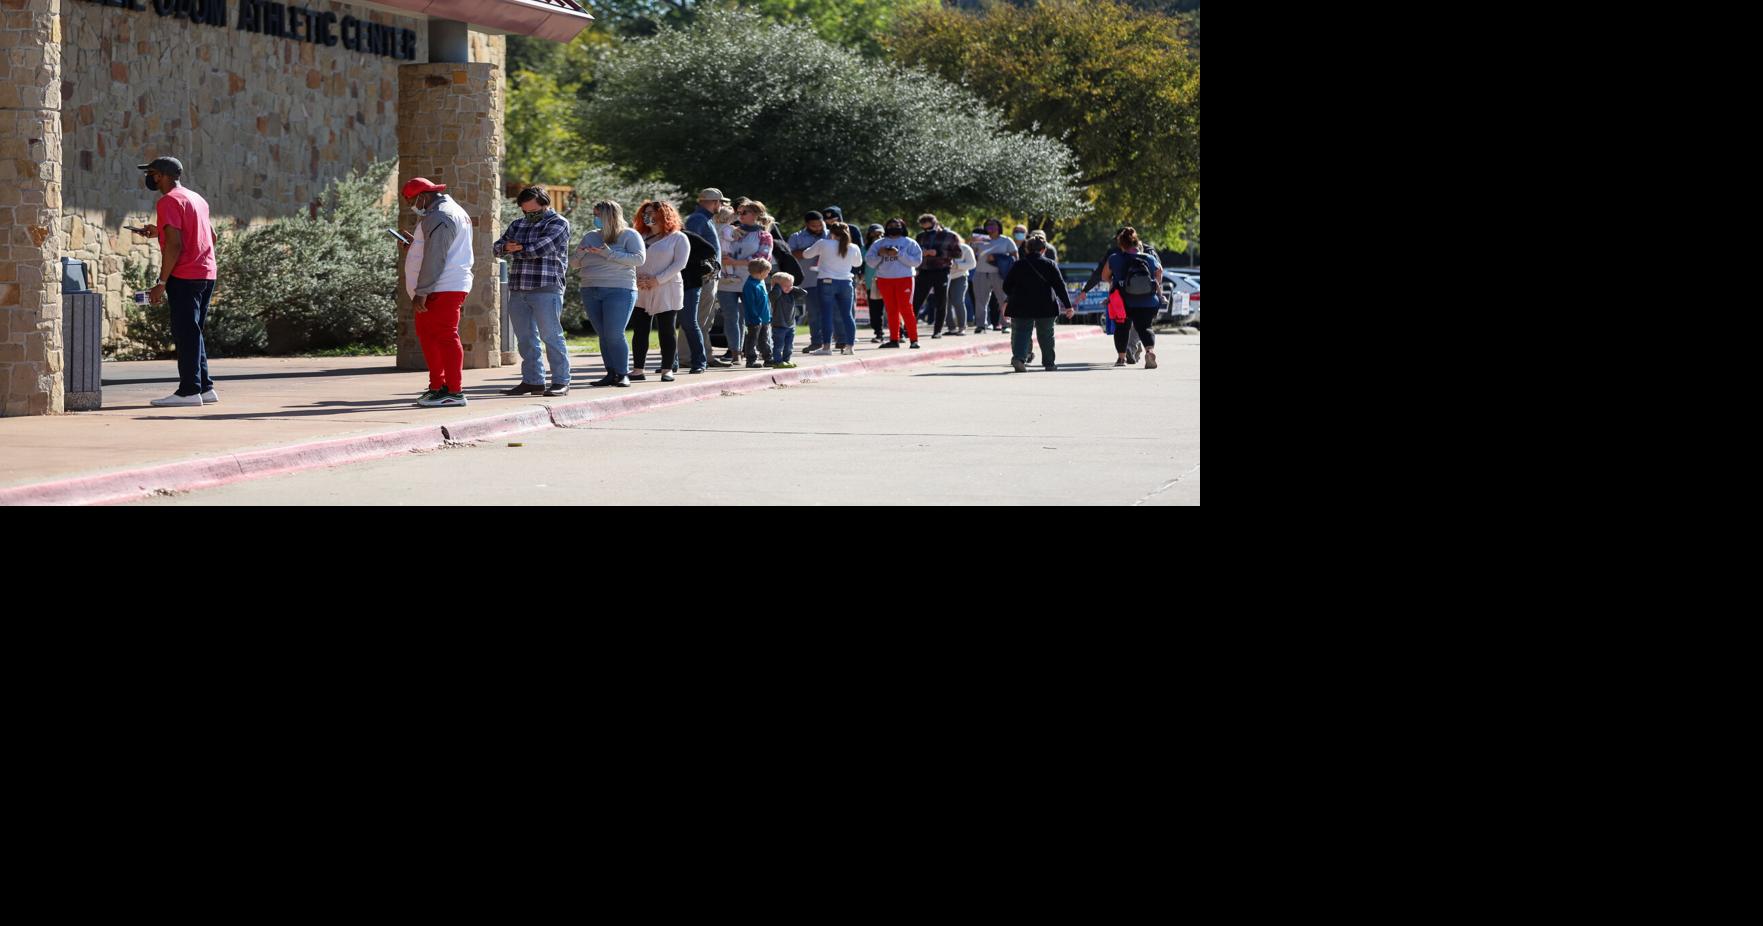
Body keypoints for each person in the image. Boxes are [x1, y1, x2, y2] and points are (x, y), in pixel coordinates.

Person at [133, 156, 221, 408]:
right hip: (206, 272)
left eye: (151, 173)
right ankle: (205, 388)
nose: (149, 178)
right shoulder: (197, 199)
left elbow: (174, 245)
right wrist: (158, 230)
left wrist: (161, 282)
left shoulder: (168, 201)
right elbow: (211, 236)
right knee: (194, 331)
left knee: (185, 333)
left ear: (161, 175)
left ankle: (189, 391)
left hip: (184, 276)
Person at [400, 177, 474, 408]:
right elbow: (435, 249)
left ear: (424, 195)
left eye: (412, 200)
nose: (412, 204)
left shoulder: (440, 215)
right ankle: (438, 386)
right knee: (430, 336)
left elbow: (436, 258)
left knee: (445, 336)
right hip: (439, 285)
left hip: (442, 286)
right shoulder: (443, 212)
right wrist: (415, 246)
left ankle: (454, 390)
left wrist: (422, 291)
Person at [494, 187, 574, 397]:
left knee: (551, 336)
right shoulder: (517, 224)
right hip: (518, 288)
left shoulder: (558, 223)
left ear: (545, 203)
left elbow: (539, 249)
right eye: (526, 212)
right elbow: (496, 247)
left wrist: (515, 248)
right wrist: (509, 248)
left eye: (535, 211)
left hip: (546, 288)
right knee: (526, 339)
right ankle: (533, 381)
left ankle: (561, 381)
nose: (530, 216)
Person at [570, 200, 645, 388]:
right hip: (590, 289)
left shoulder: (630, 235)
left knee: (614, 333)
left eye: (597, 215)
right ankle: (610, 373)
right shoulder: (590, 236)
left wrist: (608, 254)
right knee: (603, 334)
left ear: (609, 216)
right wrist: (579, 255)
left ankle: (622, 373)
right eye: (593, 215)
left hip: (620, 289)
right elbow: (573, 264)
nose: (594, 218)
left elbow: (639, 259)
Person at [631, 200, 692, 383]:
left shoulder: (678, 238)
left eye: (651, 212)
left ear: (663, 215)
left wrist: (656, 280)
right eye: (645, 212)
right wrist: (637, 278)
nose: (647, 216)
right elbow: (632, 259)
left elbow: (680, 264)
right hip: (641, 288)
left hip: (667, 288)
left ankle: (667, 369)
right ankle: (637, 370)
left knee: (666, 330)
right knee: (640, 330)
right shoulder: (639, 236)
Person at [1002, 237, 1074, 373]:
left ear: (1026, 249)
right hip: (1046, 305)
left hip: (1021, 305)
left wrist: (1017, 293)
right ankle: (1049, 363)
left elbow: (1006, 286)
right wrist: (1068, 306)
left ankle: (1019, 359)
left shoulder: (1018, 265)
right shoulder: (1050, 264)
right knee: (1046, 334)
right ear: (1044, 250)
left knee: (1021, 333)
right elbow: (1060, 286)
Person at [1099, 226, 1165, 370]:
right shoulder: (1149, 258)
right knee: (1145, 327)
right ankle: (1149, 351)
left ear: (1121, 244)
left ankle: (1121, 358)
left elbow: (1104, 276)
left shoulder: (1115, 258)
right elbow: (1159, 274)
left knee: (1122, 328)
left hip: (1123, 302)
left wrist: (1114, 281)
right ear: (1136, 242)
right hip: (1148, 301)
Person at [717, 200, 774, 363]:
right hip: (727, 280)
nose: (739, 216)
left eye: (744, 213)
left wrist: (736, 262)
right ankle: (735, 353)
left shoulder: (764, 235)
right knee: (730, 317)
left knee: (755, 318)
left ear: (756, 215)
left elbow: (763, 258)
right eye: (738, 213)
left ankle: (759, 352)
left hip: (752, 281)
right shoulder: (730, 231)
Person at [801, 221, 865, 355]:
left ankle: (826, 347)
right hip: (846, 282)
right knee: (847, 315)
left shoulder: (823, 243)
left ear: (831, 233)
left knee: (826, 315)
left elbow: (806, 254)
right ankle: (850, 347)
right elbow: (857, 263)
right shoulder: (853, 247)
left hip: (827, 281)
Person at [685, 188, 731, 368]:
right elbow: (692, 245)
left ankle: (703, 355)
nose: (722, 205)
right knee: (697, 318)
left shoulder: (704, 219)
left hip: (708, 275)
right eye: (720, 202)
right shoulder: (698, 219)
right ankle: (689, 357)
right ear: (713, 202)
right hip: (703, 276)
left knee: (703, 319)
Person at [865, 218, 924, 349]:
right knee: (891, 310)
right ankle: (894, 340)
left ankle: (914, 340)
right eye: (890, 225)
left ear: (903, 227)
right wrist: (881, 254)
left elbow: (916, 262)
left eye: (897, 225)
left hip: (905, 279)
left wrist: (899, 254)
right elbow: (870, 261)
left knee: (906, 309)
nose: (893, 227)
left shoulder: (909, 242)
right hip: (884, 279)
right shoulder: (879, 243)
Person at [787, 211, 833, 354]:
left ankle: (839, 340)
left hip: (830, 278)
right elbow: (790, 254)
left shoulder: (831, 234)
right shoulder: (796, 237)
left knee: (832, 311)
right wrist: (812, 250)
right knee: (813, 313)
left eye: (820, 224)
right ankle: (816, 342)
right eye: (814, 226)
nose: (818, 228)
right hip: (809, 280)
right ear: (806, 224)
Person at [914, 214, 963, 338]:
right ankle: (909, 329)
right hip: (924, 270)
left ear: (936, 224)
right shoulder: (920, 236)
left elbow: (958, 254)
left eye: (929, 228)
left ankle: (937, 331)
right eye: (924, 229)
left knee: (941, 301)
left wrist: (939, 252)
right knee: (916, 301)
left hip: (942, 270)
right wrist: (922, 253)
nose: (927, 231)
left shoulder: (950, 236)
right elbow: (914, 253)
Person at [972, 218, 1017, 334]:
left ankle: (1005, 324)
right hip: (981, 272)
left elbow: (1015, 258)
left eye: (994, 226)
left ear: (999, 228)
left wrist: (998, 258)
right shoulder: (980, 240)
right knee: (981, 301)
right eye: (988, 226)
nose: (991, 228)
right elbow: (973, 255)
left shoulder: (1006, 241)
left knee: (1003, 300)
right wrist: (973, 243)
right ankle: (981, 325)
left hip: (1000, 274)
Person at [741, 258, 774, 368]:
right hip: (755, 319)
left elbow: (765, 302)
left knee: (764, 340)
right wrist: (755, 317)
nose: (768, 274)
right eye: (767, 272)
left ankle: (768, 358)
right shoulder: (750, 285)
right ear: (760, 272)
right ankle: (751, 360)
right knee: (753, 340)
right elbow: (750, 304)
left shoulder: (761, 282)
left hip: (764, 318)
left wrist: (769, 316)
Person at [946, 231, 977, 336]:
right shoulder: (943, 249)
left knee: (958, 301)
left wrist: (957, 265)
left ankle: (962, 327)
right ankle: (951, 328)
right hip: (944, 278)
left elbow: (972, 264)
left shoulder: (965, 248)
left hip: (960, 277)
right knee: (945, 303)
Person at [769, 272, 802, 369]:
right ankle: (777, 361)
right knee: (779, 345)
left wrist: (792, 287)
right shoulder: (775, 296)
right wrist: (777, 286)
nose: (788, 287)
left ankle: (786, 360)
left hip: (791, 326)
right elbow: (775, 293)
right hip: (779, 326)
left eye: (790, 285)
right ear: (777, 286)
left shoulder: (791, 294)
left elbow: (803, 293)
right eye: (785, 286)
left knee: (789, 346)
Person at [862, 223, 887, 343]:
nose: (878, 236)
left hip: (889, 279)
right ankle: (879, 334)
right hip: (871, 282)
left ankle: (900, 332)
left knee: (893, 308)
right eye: (874, 233)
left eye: (880, 233)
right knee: (875, 310)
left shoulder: (889, 247)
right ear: (869, 234)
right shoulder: (864, 249)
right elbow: (860, 264)